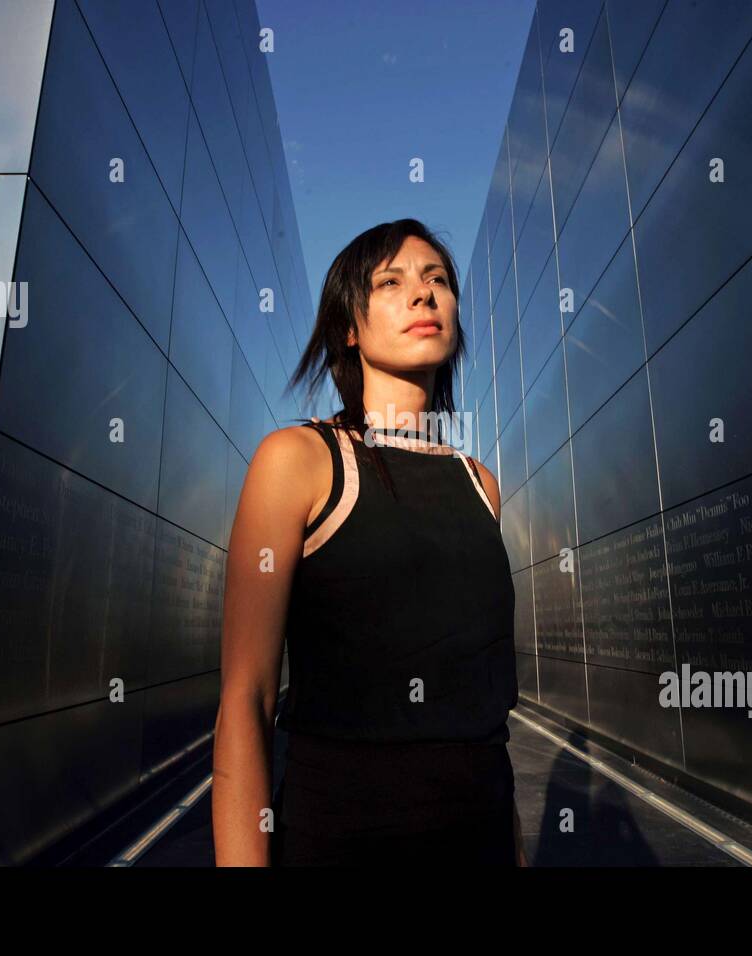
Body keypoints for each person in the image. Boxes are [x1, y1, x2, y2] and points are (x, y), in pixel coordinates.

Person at [211, 218, 526, 866]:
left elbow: (485, 727)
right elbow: (248, 698)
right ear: (348, 327)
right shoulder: (297, 460)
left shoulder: (480, 485)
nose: (424, 294)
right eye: (393, 281)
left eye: (438, 279)